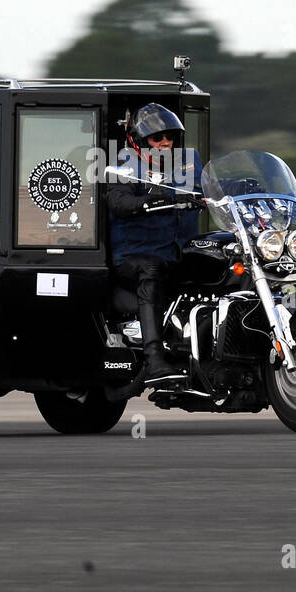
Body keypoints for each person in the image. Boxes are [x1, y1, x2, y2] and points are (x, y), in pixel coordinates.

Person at [106, 102, 203, 384]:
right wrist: (147, 201)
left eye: (169, 137)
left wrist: (243, 186)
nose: (164, 143)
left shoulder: (184, 165)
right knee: (152, 270)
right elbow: (118, 201)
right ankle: (154, 358)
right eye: (157, 138)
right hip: (133, 256)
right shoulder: (122, 165)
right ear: (138, 140)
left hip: (176, 252)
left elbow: (211, 185)